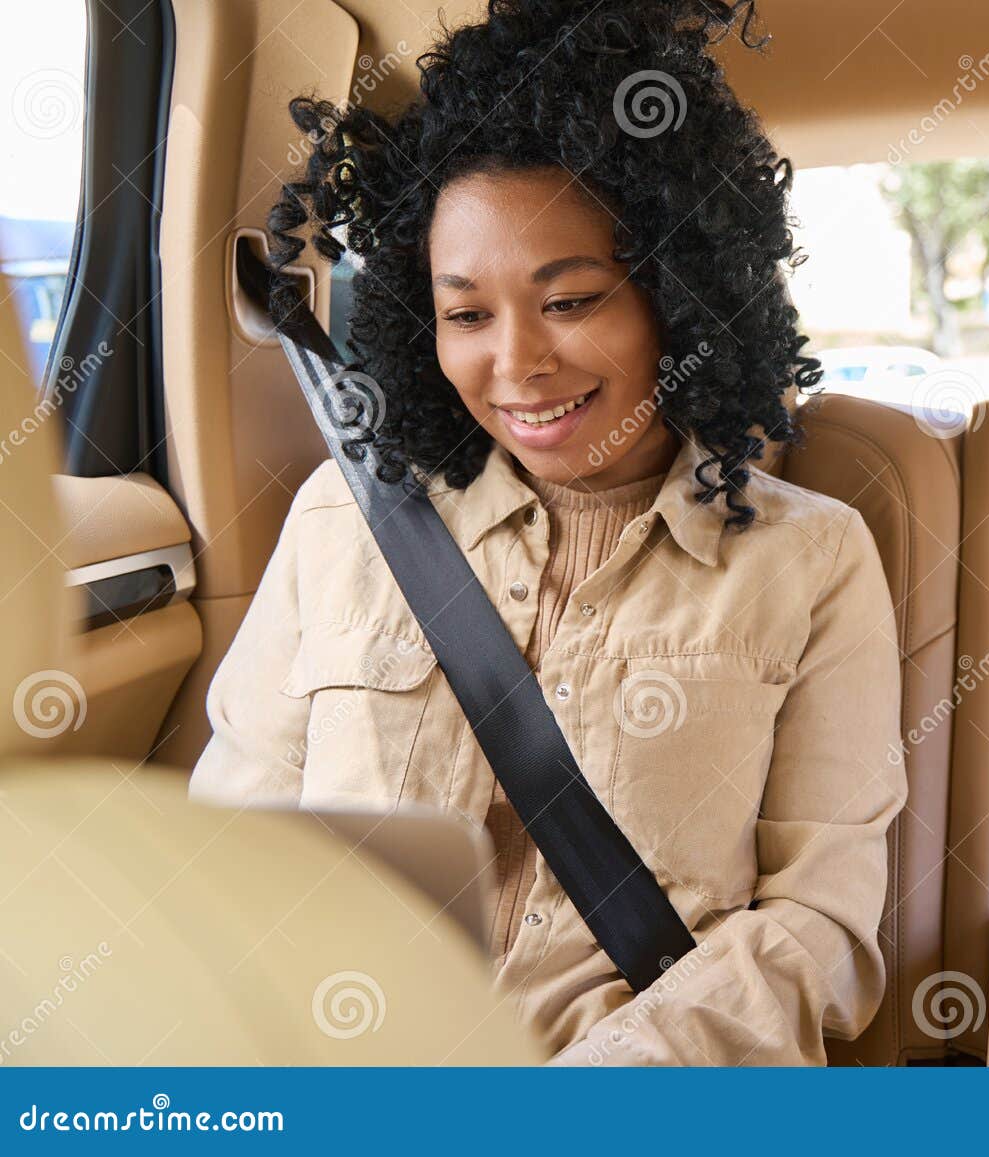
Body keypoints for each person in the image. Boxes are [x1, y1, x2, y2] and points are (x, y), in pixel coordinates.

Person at [187, 0, 906, 1066]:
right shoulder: (348, 519)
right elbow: (229, 856)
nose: (515, 364)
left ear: (677, 296)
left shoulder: (813, 559)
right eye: (467, 314)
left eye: (569, 301)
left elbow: (821, 933)